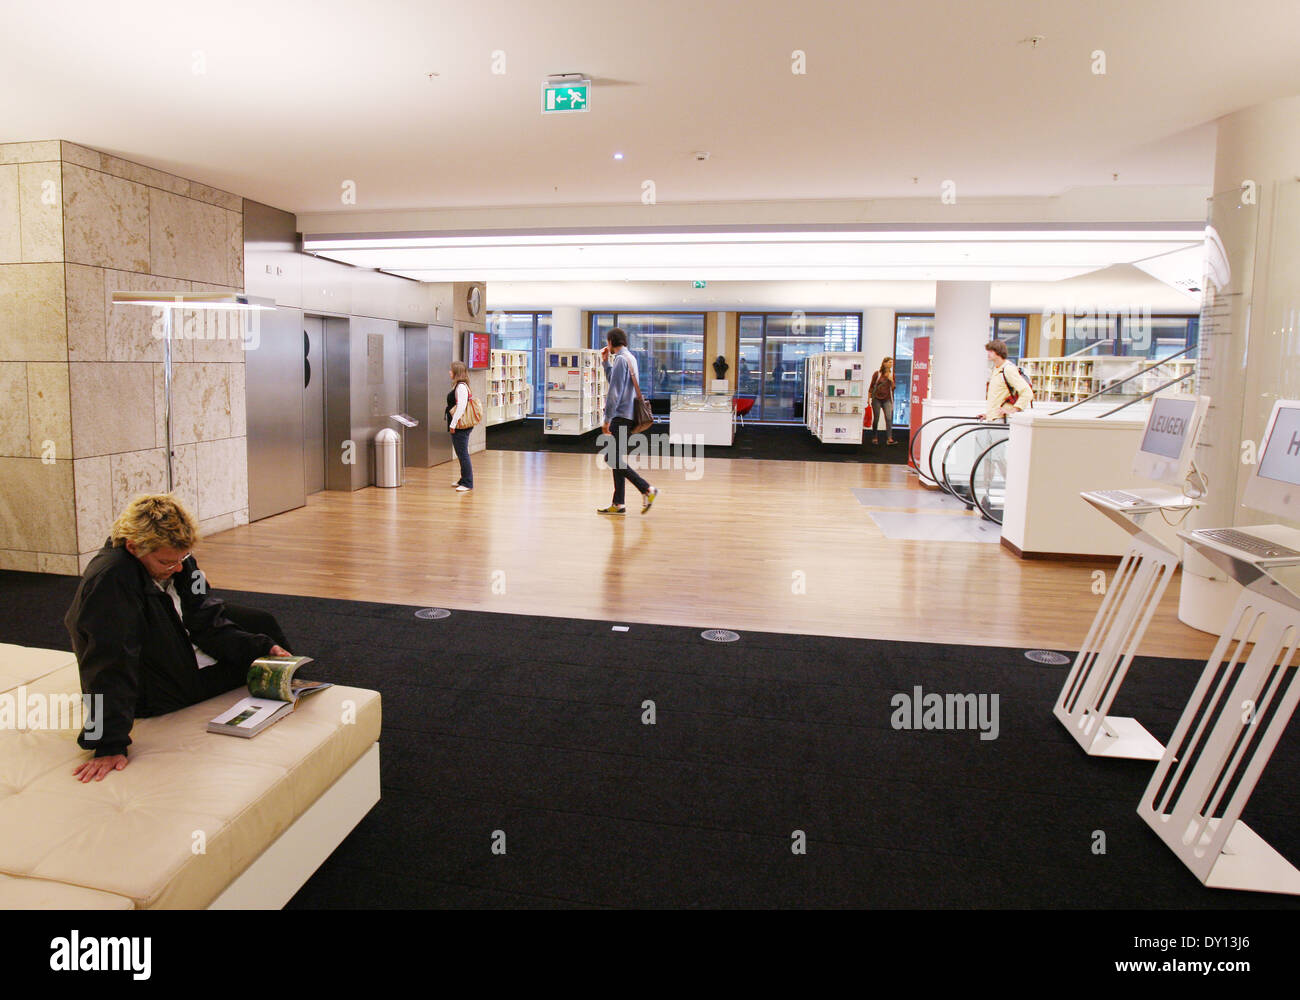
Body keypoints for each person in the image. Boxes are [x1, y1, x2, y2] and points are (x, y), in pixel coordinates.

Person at [65, 494, 292, 782]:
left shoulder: (180, 560)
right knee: (251, 665)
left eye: (182, 559)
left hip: (170, 633)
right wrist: (108, 742)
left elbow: (204, 613)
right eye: (166, 562)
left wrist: (260, 646)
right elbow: (107, 663)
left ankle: (284, 670)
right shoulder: (110, 581)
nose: (178, 568)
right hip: (151, 686)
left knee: (263, 625)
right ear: (134, 547)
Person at [598, 327, 659, 515]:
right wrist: (606, 363)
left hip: (620, 417)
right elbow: (617, 382)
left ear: (610, 342)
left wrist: (607, 419)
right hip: (629, 416)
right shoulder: (630, 358)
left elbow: (614, 393)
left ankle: (647, 489)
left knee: (612, 458)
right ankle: (618, 504)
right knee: (617, 460)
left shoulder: (621, 360)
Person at [980, 339, 1034, 421]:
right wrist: (988, 414)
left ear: (998, 351)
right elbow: (997, 397)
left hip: (1002, 419)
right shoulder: (996, 369)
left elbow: (1027, 392)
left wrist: (1014, 410)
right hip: (993, 419)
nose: (988, 354)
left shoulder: (1008, 369)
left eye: (991, 351)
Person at [446, 360, 474, 492]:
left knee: (462, 454)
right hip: (459, 425)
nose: (449, 372)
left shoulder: (461, 387)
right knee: (461, 452)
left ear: (456, 372)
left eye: (451, 370)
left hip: (460, 426)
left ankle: (468, 482)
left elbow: (461, 407)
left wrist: (453, 424)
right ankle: (463, 479)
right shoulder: (459, 385)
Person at [868, 357, 897, 446]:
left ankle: (889, 438)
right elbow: (872, 386)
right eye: (889, 362)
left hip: (887, 398)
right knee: (876, 418)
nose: (891, 364)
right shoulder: (877, 374)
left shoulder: (892, 375)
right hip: (876, 398)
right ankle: (874, 437)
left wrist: (891, 380)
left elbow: (893, 388)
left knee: (888, 418)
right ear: (884, 363)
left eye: (892, 362)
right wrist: (868, 398)